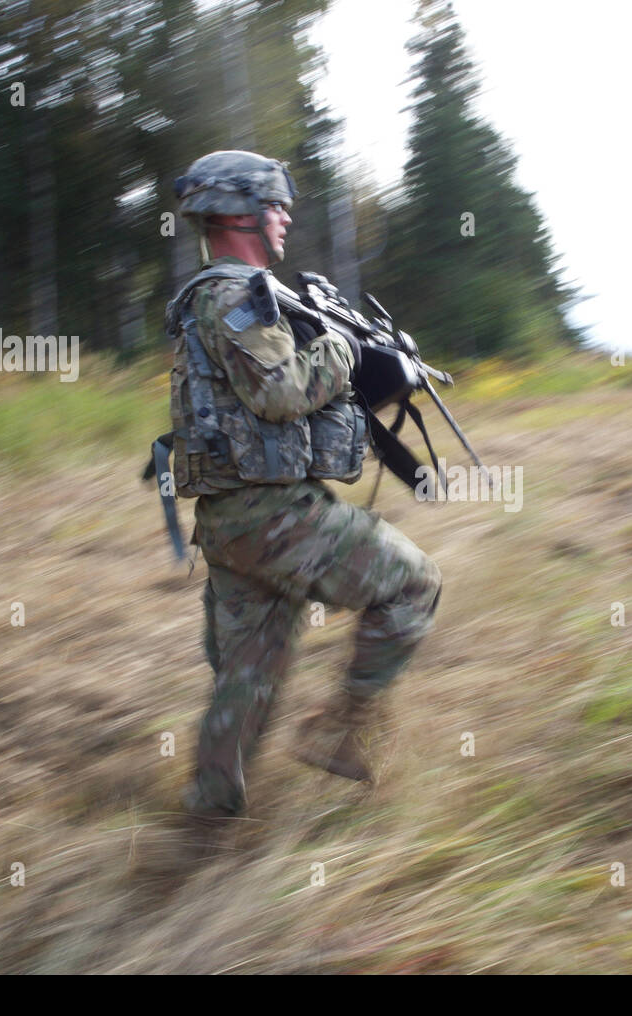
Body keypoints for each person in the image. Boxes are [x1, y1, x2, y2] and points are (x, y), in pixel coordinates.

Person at [166, 150, 442, 817]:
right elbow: (280, 393)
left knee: (249, 680)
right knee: (413, 582)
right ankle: (342, 730)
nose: (286, 216)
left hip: (238, 519)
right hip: (271, 515)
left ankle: (205, 828)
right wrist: (345, 351)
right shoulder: (235, 295)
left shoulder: (239, 296)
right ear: (238, 213)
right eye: (275, 204)